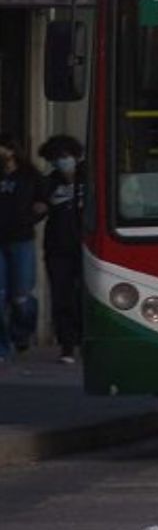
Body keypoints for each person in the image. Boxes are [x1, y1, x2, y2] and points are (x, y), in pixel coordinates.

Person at [0, 133, 46, 362]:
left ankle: (22, 335)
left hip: (21, 239)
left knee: (21, 296)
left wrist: (32, 216)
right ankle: (2, 345)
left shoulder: (29, 176)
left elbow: (42, 202)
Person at [38, 136, 84, 364]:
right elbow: (35, 210)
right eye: (56, 159)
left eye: (65, 157)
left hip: (86, 246)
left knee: (85, 295)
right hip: (58, 247)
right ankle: (67, 345)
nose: (62, 162)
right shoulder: (48, 184)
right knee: (62, 296)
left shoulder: (89, 179)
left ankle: (85, 339)